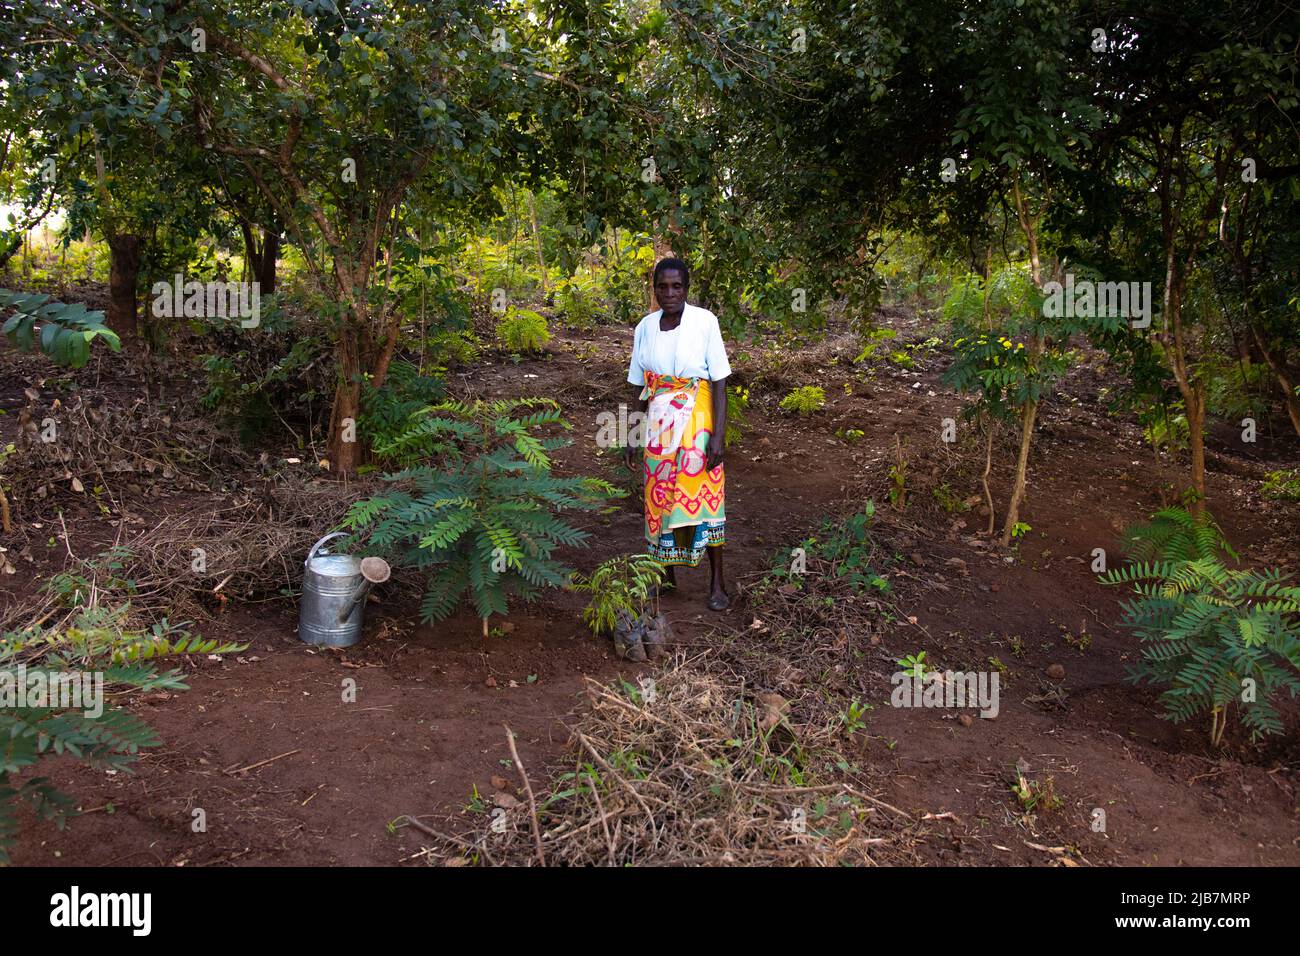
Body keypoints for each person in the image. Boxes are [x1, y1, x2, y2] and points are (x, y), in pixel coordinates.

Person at [622, 257, 731, 611]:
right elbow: (638, 386)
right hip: (658, 424)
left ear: (687, 287)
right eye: (663, 286)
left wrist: (717, 437)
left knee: (703, 497)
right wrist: (631, 434)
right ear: (654, 289)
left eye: (677, 286)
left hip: (696, 420)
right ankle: (666, 576)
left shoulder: (704, 322)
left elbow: (719, 382)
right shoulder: (645, 328)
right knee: (659, 499)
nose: (670, 293)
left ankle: (717, 583)